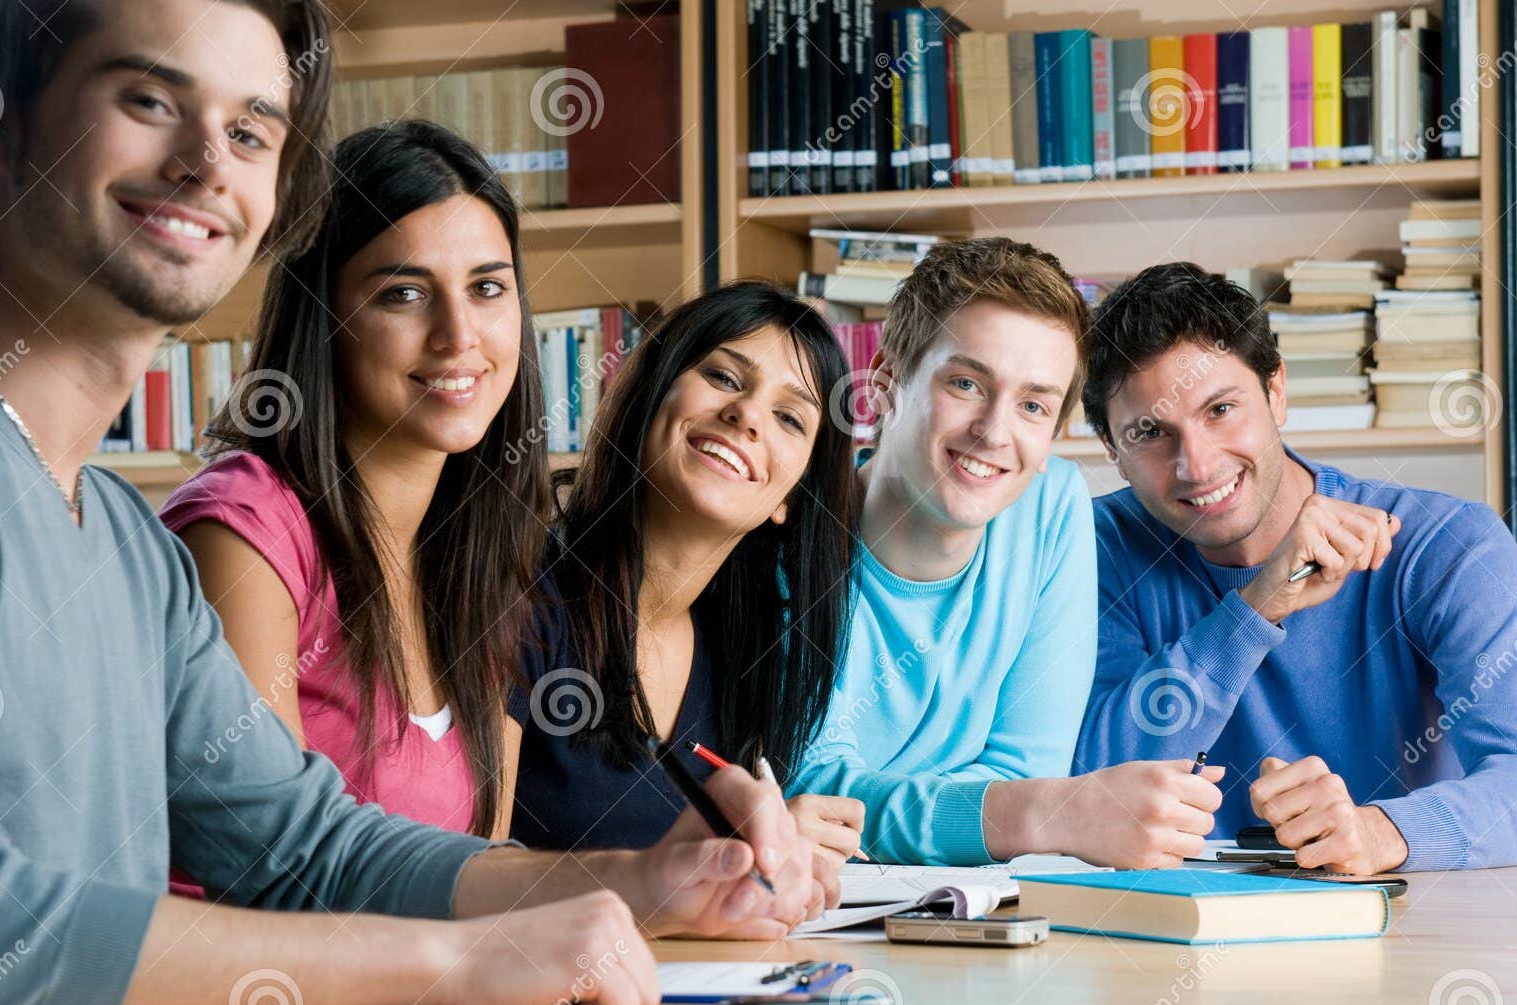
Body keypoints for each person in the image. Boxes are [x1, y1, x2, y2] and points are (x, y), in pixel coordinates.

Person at [0, 0, 813, 1005]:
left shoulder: (122, 541)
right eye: (149, 99)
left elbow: (305, 847)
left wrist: (650, 881)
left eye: (252, 131)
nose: (209, 162)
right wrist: (448, 959)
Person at [162, 121, 547, 842]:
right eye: (404, 294)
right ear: (326, 317)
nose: (458, 335)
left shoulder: (478, 559)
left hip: (425, 957)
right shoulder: (244, 527)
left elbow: (479, 869)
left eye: (488, 288)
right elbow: (281, 861)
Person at [786, 237, 1225, 868]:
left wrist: (1015, 809)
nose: (994, 432)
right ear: (883, 383)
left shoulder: (1051, 508)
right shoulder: (789, 525)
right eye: (966, 383)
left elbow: (1026, 767)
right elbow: (815, 794)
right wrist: (1047, 813)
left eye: (1032, 405)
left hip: (974, 905)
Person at [1074, 261, 1517, 873]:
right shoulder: (1090, 549)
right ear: (1111, 452)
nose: (1197, 466)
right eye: (1150, 432)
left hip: (1397, 926)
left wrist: (1379, 831)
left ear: (1276, 391)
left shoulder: (1447, 546)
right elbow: (1089, 785)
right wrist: (1256, 608)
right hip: (1162, 933)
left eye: (1221, 409)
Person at [509, 280, 867, 890]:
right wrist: (703, 867)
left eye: (789, 417)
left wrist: (757, 853)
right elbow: (462, 869)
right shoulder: (520, 600)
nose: (747, 415)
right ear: (653, 395)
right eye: (725, 378)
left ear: (789, 501)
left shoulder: (744, 654)